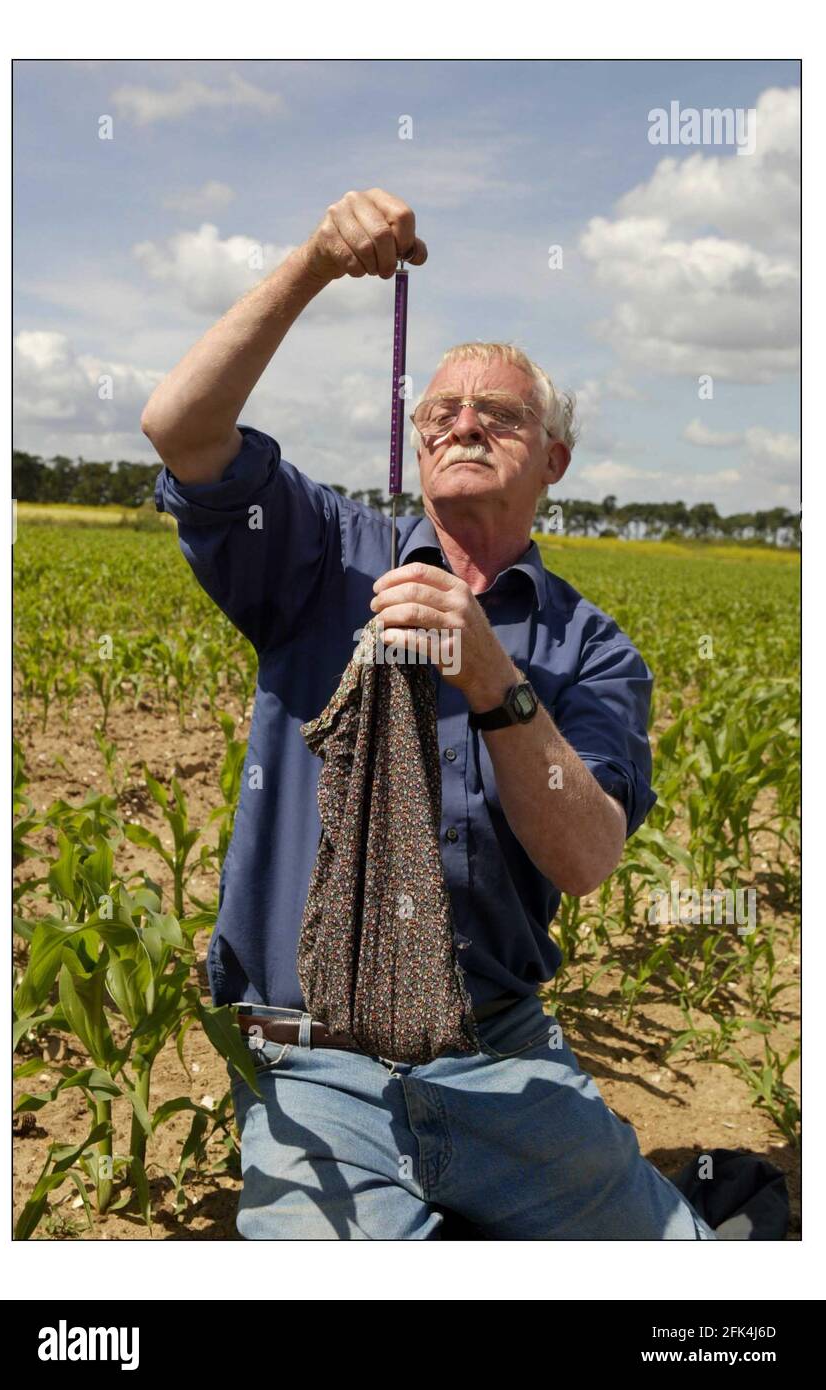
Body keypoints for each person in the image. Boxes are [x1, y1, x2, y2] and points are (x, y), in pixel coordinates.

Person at [144, 188, 716, 1240]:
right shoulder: (321, 553)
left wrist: (493, 679)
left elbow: (587, 857)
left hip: (504, 1059)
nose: (462, 424)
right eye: (439, 412)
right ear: (415, 448)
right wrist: (316, 259)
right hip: (311, 1063)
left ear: (552, 460)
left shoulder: (589, 649)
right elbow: (179, 425)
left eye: (498, 414)